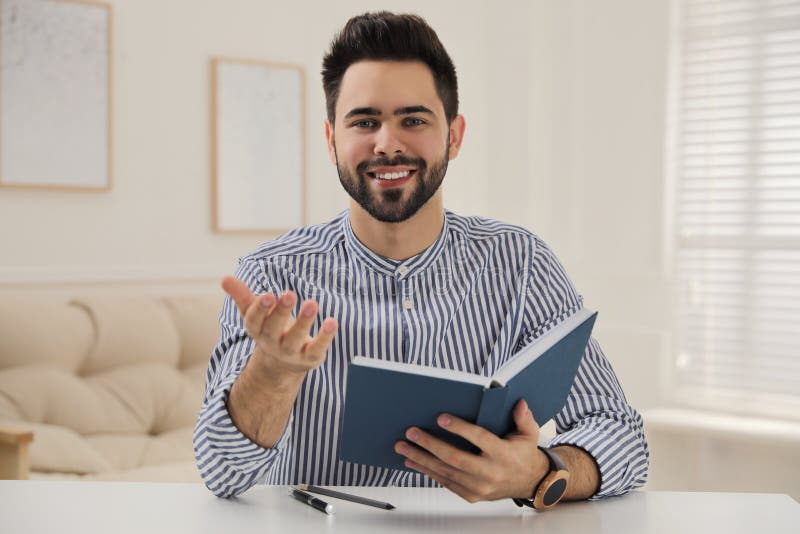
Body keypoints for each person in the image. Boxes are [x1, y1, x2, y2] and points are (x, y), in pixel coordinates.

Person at [194, 11, 649, 506]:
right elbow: (221, 473)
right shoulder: (272, 275)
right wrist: (273, 373)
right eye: (365, 122)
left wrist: (541, 472)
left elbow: (622, 435)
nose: (387, 144)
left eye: (413, 120)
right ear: (331, 141)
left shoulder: (521, 262)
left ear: (454, 135)